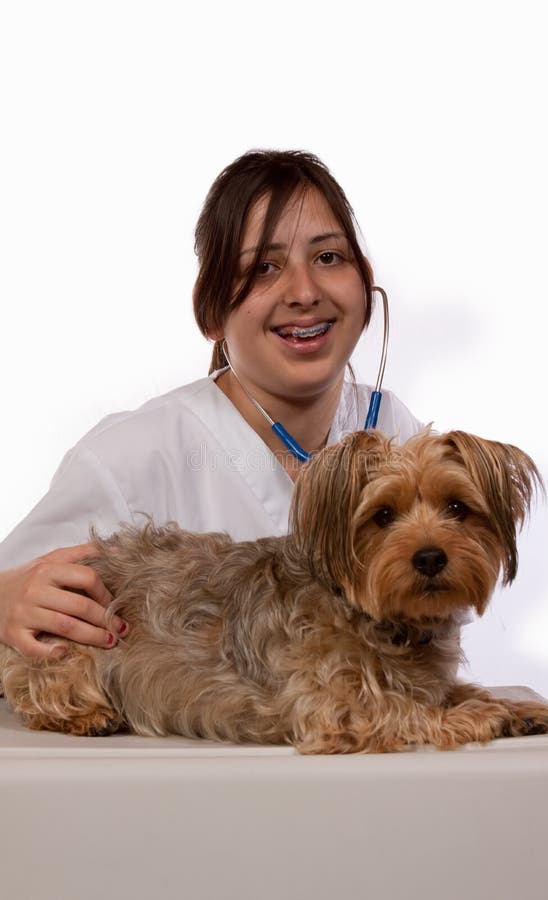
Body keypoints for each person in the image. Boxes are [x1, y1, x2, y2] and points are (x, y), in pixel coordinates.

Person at [0, 149, 422, 660]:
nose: (305, 291)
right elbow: (27, 617)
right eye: (264, 267)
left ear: (365, 282)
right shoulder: (134, 457)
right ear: (211, 312)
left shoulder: (401, 433)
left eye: (328, 257)